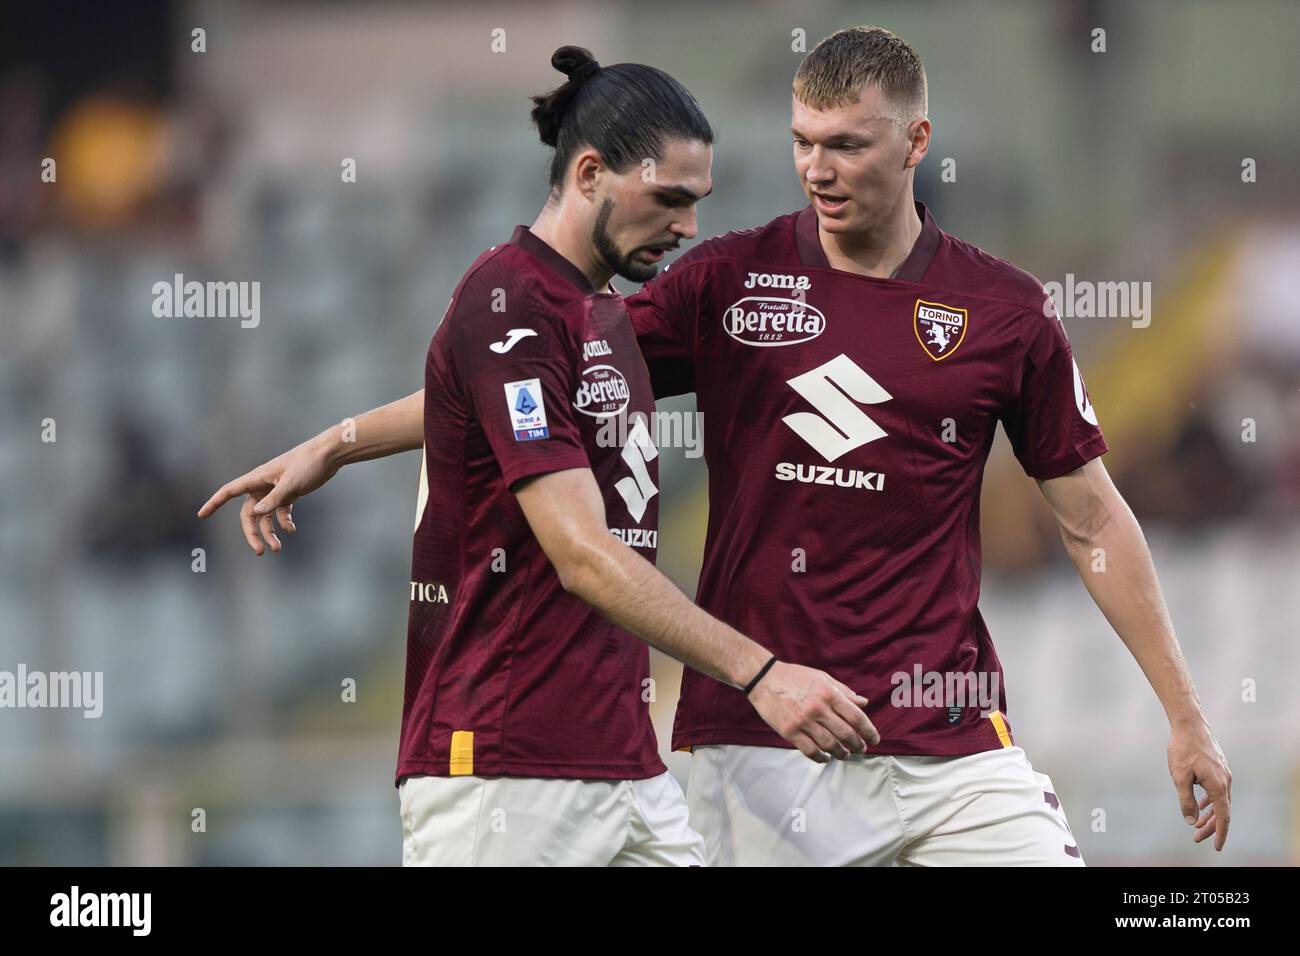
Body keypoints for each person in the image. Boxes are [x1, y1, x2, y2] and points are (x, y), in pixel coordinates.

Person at [204, 27, 1232, 866]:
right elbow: (528, 382)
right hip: (756, 742)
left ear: (917, 143)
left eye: (847, 146)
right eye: (802, 141)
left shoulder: (1005, 312)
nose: (817, 170)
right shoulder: (725, 283)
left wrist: (1183, 713)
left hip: (949, 733)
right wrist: (342, 439)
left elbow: (1091, 514)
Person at [199, 46, 877, 867]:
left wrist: (337, 443)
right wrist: (761, 673)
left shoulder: (599, 312)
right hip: (506, 766)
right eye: (668, 199)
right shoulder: (511, 299)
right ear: (591, 173)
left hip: (621, 761)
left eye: (697, 203)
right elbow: (582, 555)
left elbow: (475, 406)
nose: (687, 226)